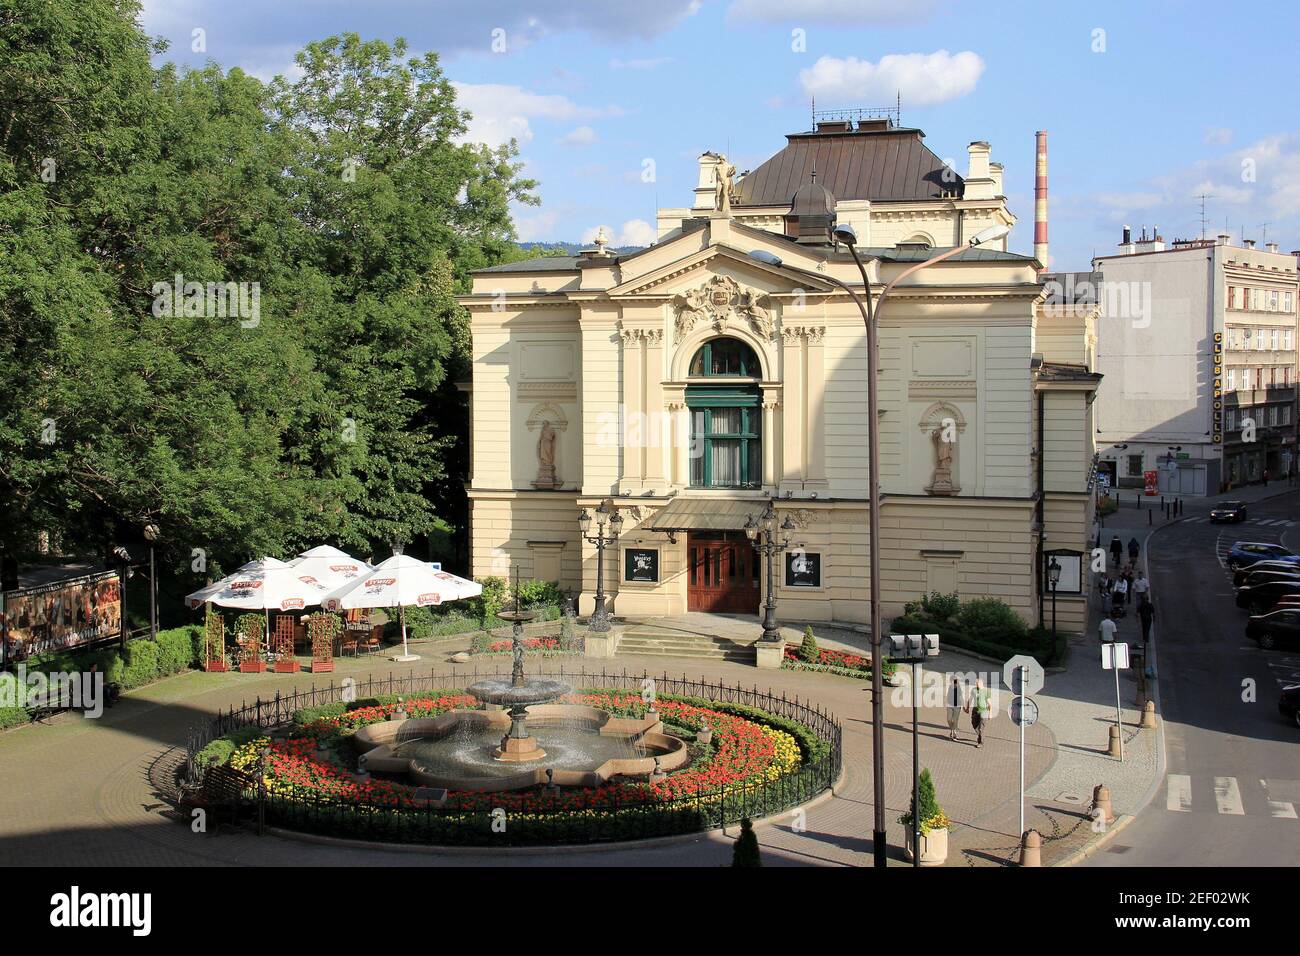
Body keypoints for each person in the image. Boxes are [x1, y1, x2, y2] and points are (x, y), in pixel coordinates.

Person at [968, 678, 992, 747]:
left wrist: (990, 713)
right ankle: (980, 735)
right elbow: (970, 699)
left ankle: (980, 742)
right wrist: (967, 708)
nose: (976, 685)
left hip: (984, 711)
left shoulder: (986, 691)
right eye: (976, 683)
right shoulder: (974, 690)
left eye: (977, 683)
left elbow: (990, 704)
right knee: (974, 724)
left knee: (981, 728)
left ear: (981, 683)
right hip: (975, 710)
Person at [946, 677, 967, 741]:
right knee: (949, 719)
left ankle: (953, 733)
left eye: (955, 682)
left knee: (955, 720)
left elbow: (961, 697)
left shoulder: (959, 688)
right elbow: (948, 695)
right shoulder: (950, 687)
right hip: (950, 706)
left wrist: (963, 707)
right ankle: (952, 730)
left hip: (957, 706)